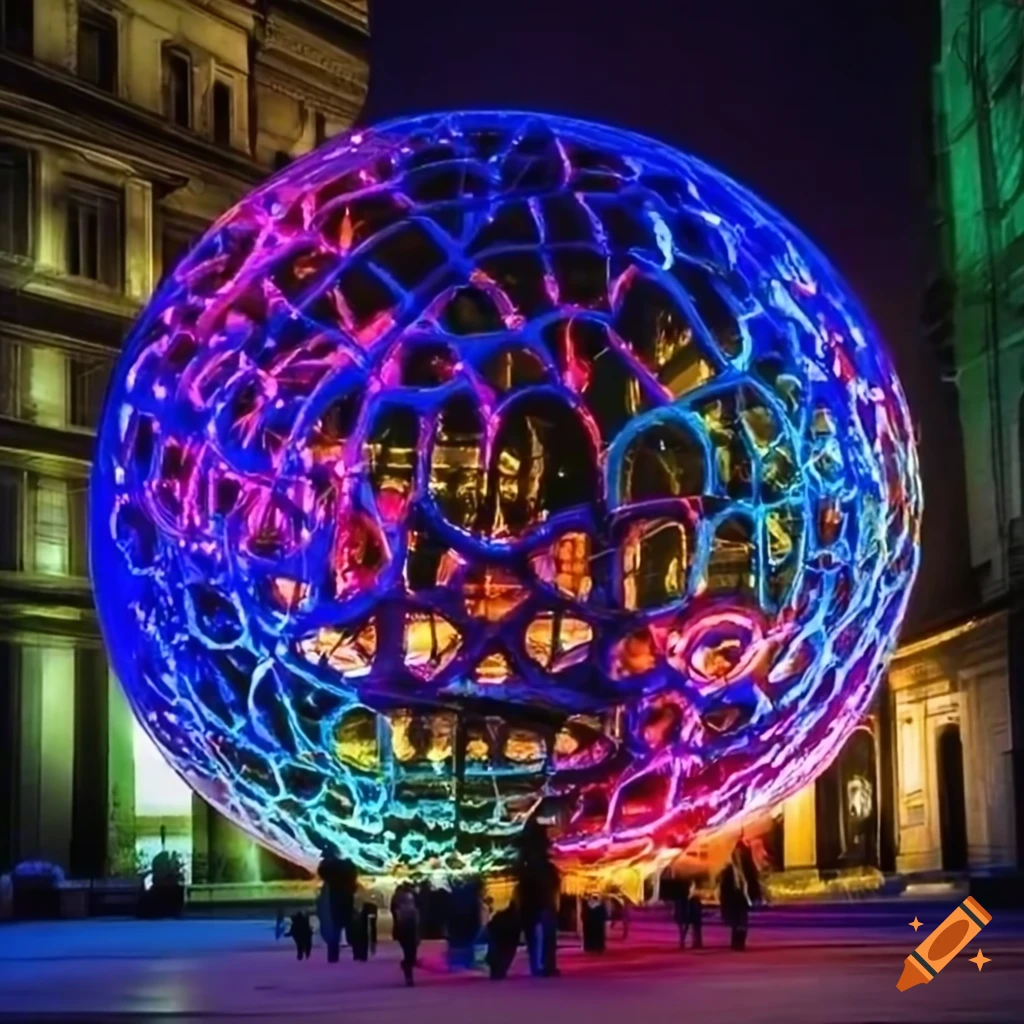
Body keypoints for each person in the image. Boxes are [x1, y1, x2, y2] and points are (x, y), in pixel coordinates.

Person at [317, 847, 358, 963]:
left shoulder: (330, 871)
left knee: (334, 927)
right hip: (345, 897)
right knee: (347, 925)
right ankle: (357, 952)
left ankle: (333, 955)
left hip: (334, 898)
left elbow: (322, 872)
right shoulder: (347, 868)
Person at [392, 883, 420, 987]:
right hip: (406, 930)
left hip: (408, 930)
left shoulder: (412, 911)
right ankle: (408, 974)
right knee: (410, 953)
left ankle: (407, 968)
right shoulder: (404, 912)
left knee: (410, 953)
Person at [718, 860, 750, 951]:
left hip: (735, 902)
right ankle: (738, 944)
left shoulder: (727, 877)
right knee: (740, 923)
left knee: (737, 924)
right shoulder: (733, 876)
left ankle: (737, 943)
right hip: (737, 901)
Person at [485, 900, 520, 979]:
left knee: (498, 956)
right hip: (505, 940)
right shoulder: (516, 918)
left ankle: (496, 972)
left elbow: (490, 926)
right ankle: (499, 972)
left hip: (498, 938)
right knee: (503, 956)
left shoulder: (500, 915)